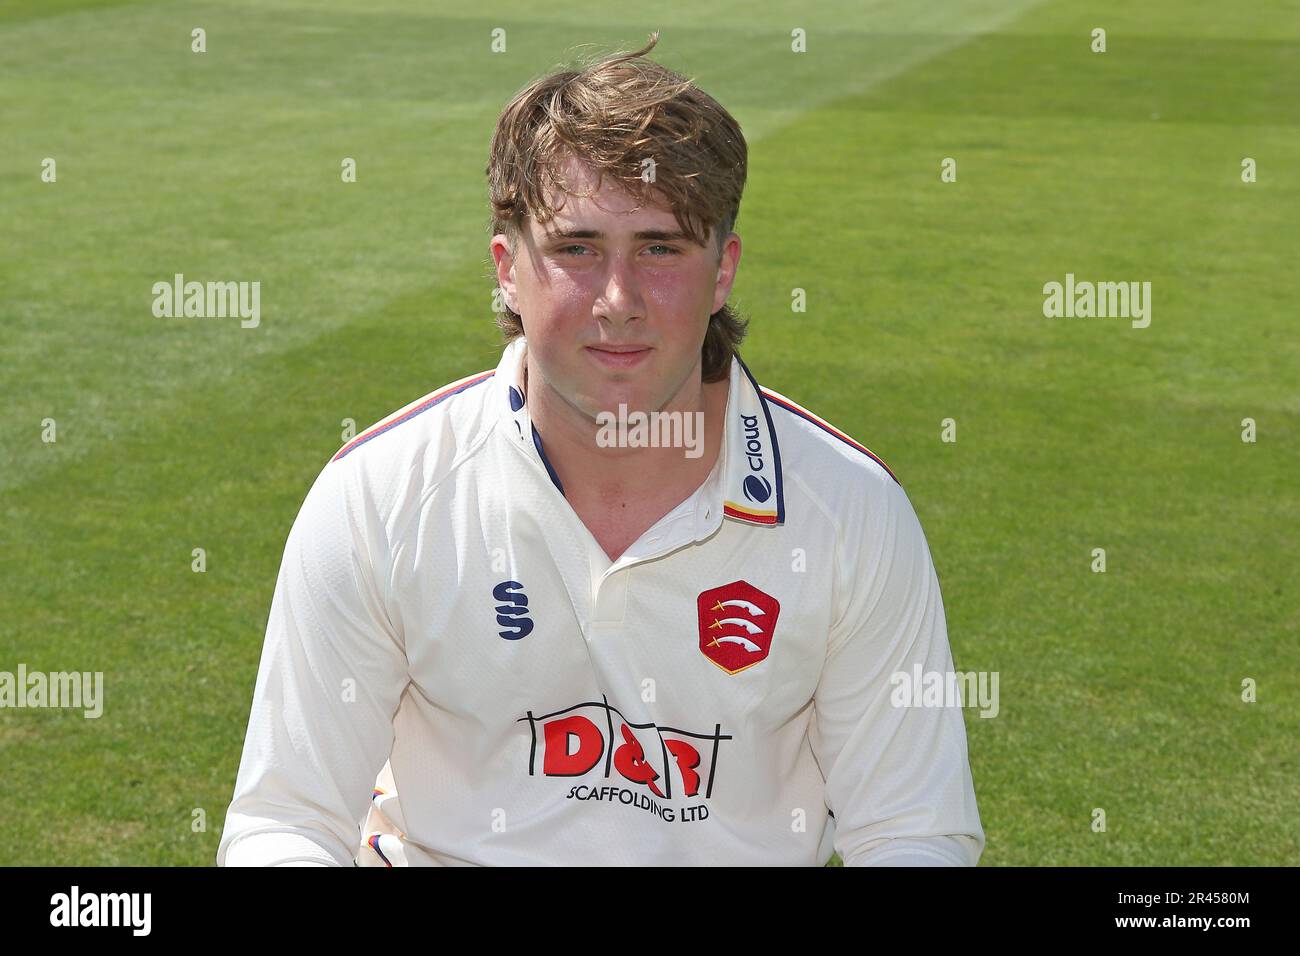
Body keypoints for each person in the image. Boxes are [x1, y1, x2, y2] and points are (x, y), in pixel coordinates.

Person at [217, 33, 984, 867]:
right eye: (577, 250)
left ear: (721, 271)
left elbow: (911, 832)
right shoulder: (379, 495)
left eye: (660, 249)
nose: (618, 302)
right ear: (508, 268)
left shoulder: (851, 511)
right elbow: (284, 824)